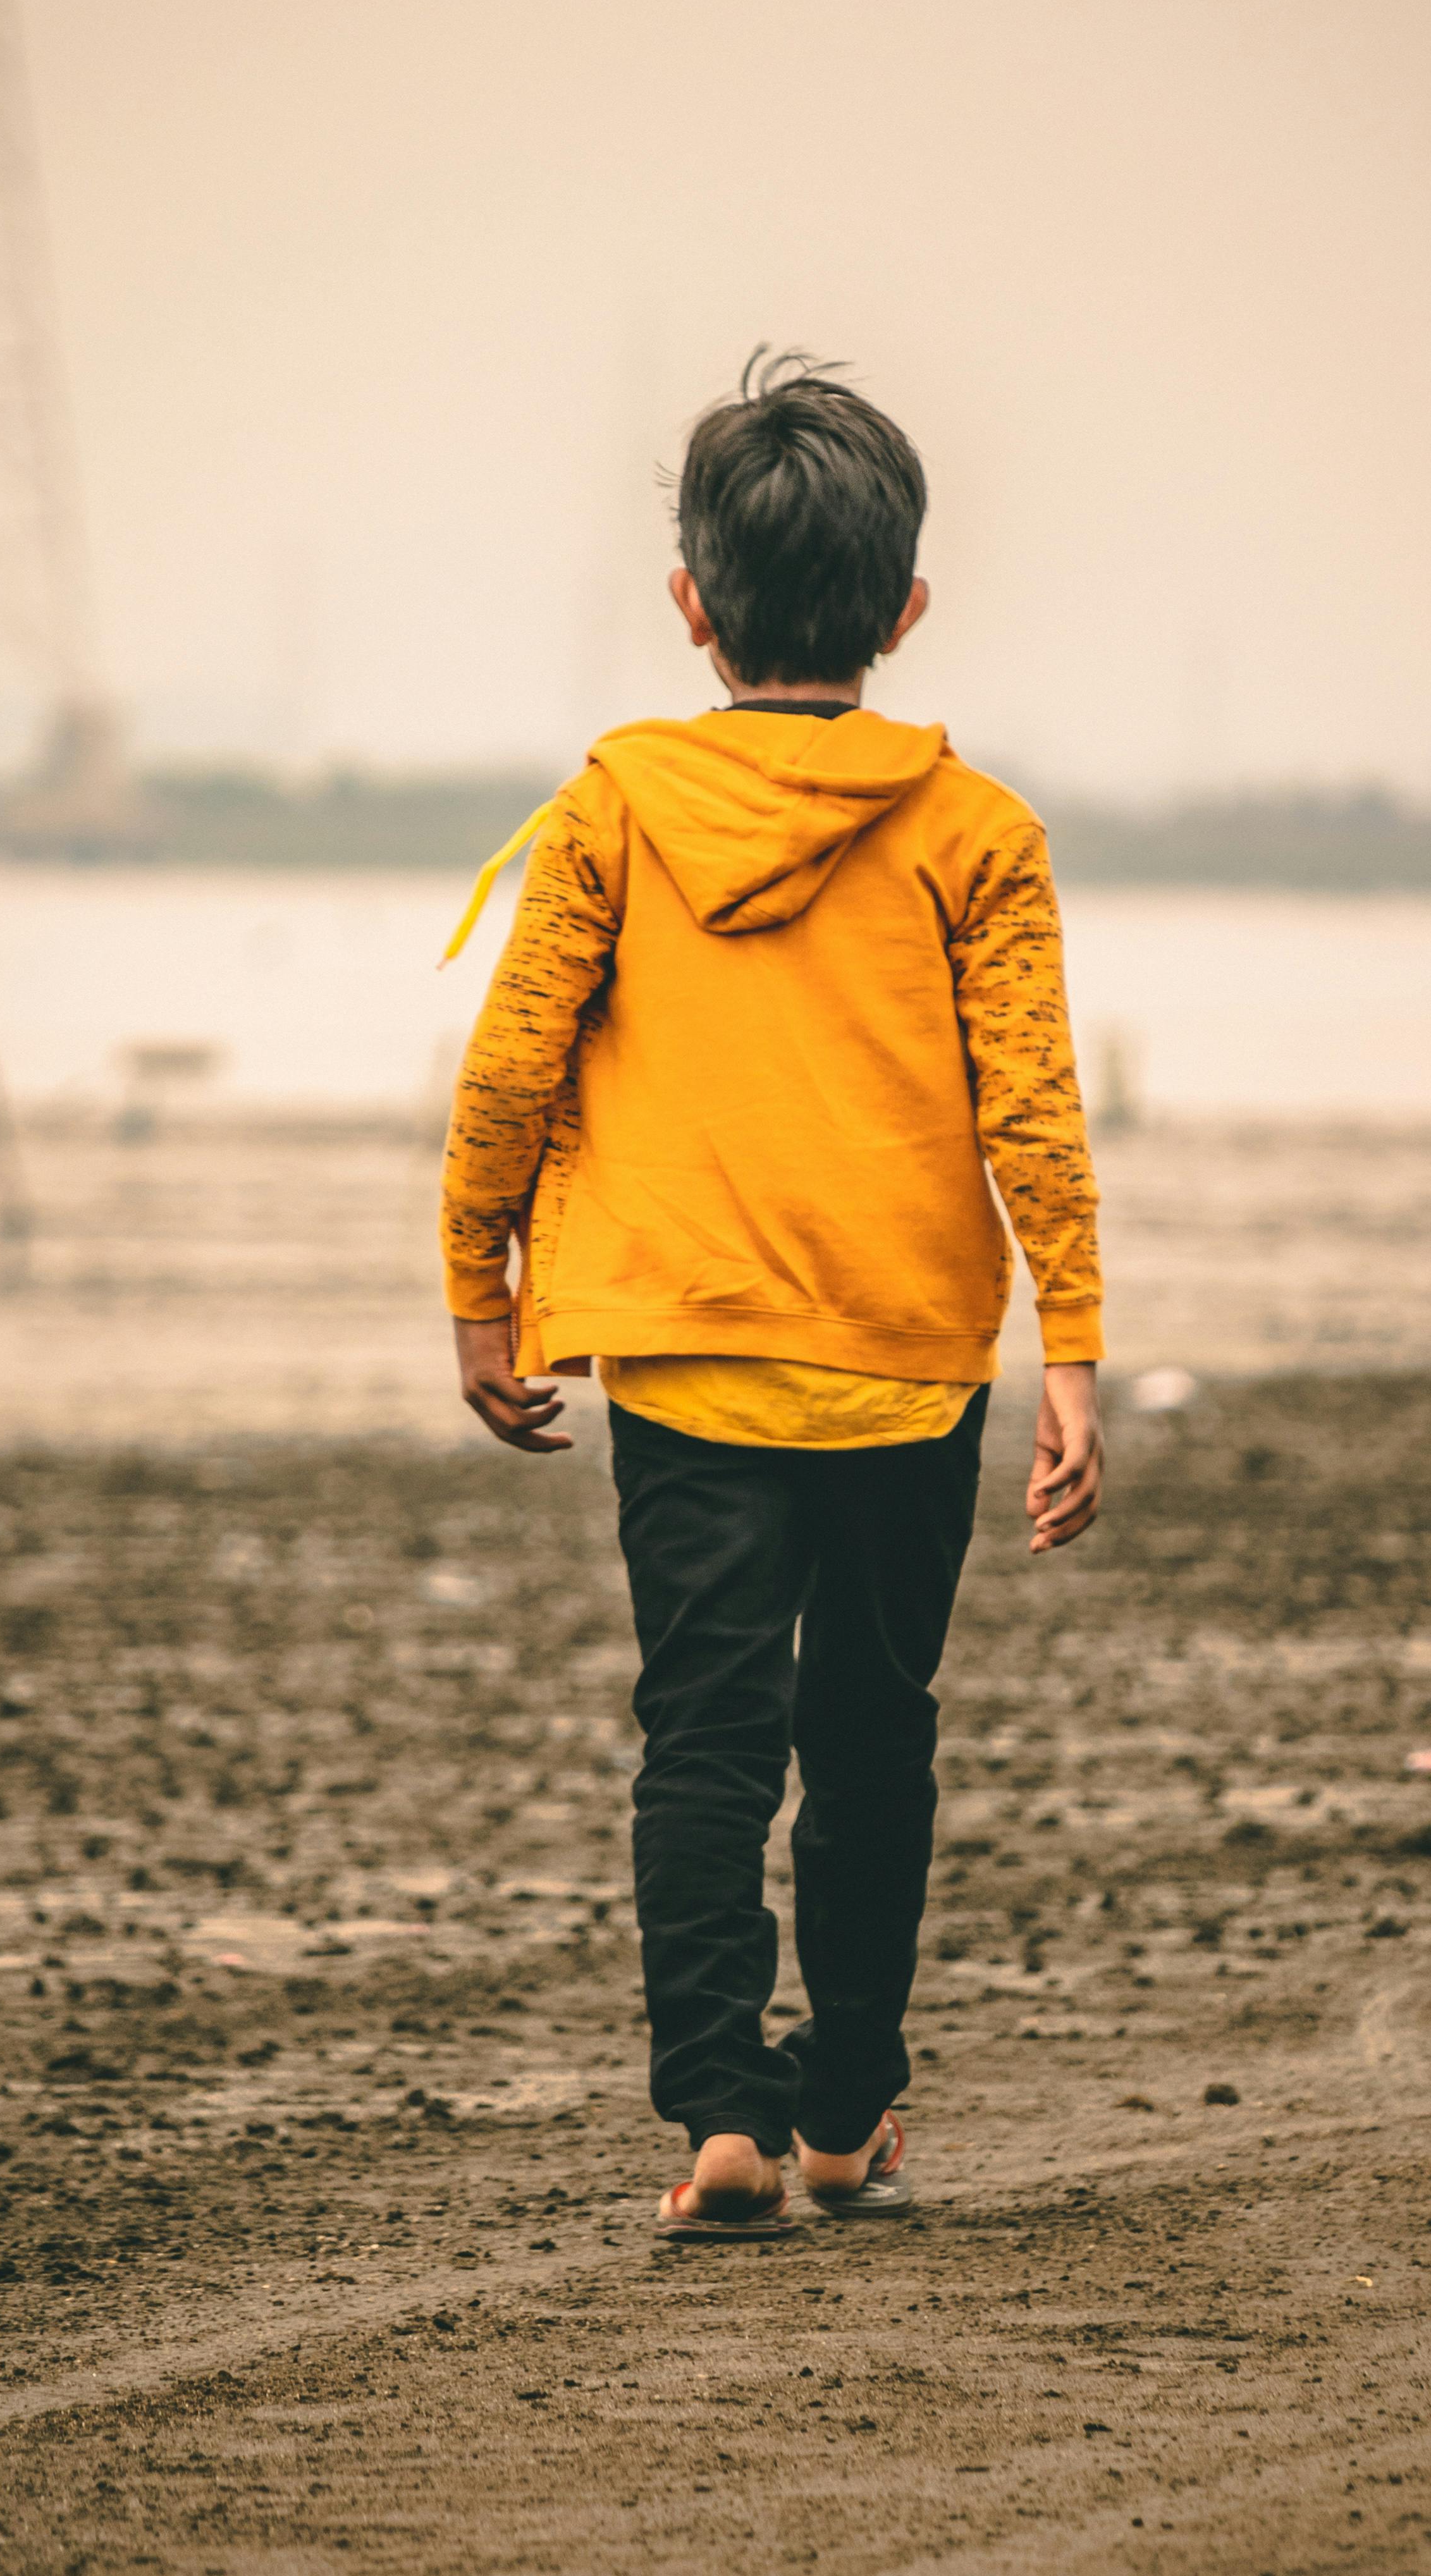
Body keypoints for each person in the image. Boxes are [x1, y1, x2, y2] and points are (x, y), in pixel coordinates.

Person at [437, 351, 1104, 2239]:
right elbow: (1035, 1111)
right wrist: (1072, 1349)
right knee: (877, 1737)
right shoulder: (978, 834)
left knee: (708, 1739)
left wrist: (481, 1292)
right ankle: (846, 2117)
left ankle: (723, 2121)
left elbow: (510, 1064)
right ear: (906, 611)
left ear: (690, 605)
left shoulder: (614, 810)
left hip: (685, 1355)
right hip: (906, 1366)